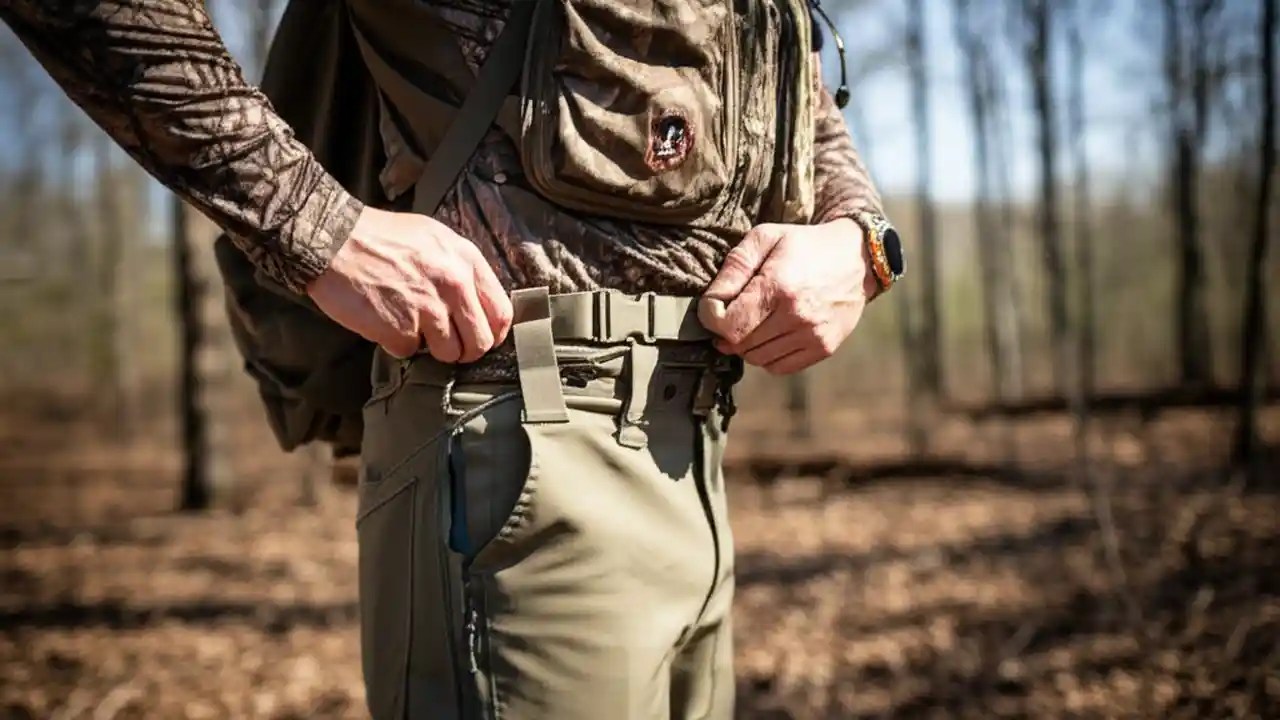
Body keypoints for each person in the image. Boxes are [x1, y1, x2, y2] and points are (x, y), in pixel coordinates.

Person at [1, 0, 904, 717]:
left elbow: (776, 65)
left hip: (696, 453)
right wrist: (321, 228)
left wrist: (861, 241)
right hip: (519, 445)